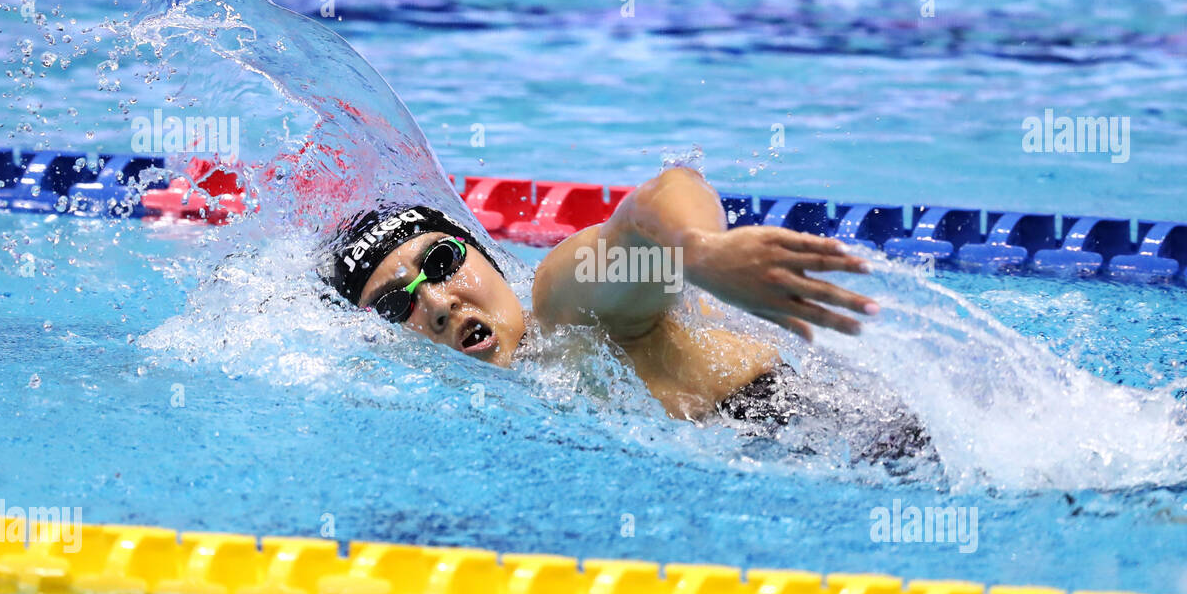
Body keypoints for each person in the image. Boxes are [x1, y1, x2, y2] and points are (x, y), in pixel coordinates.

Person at [324, 165, 937, 465]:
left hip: (875, 447)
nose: (435, 303)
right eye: (393, 305)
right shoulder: (505, 398)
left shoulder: (565, 310)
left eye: (441, 259)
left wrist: (700, 251)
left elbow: (650, 209)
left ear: (483, 253)